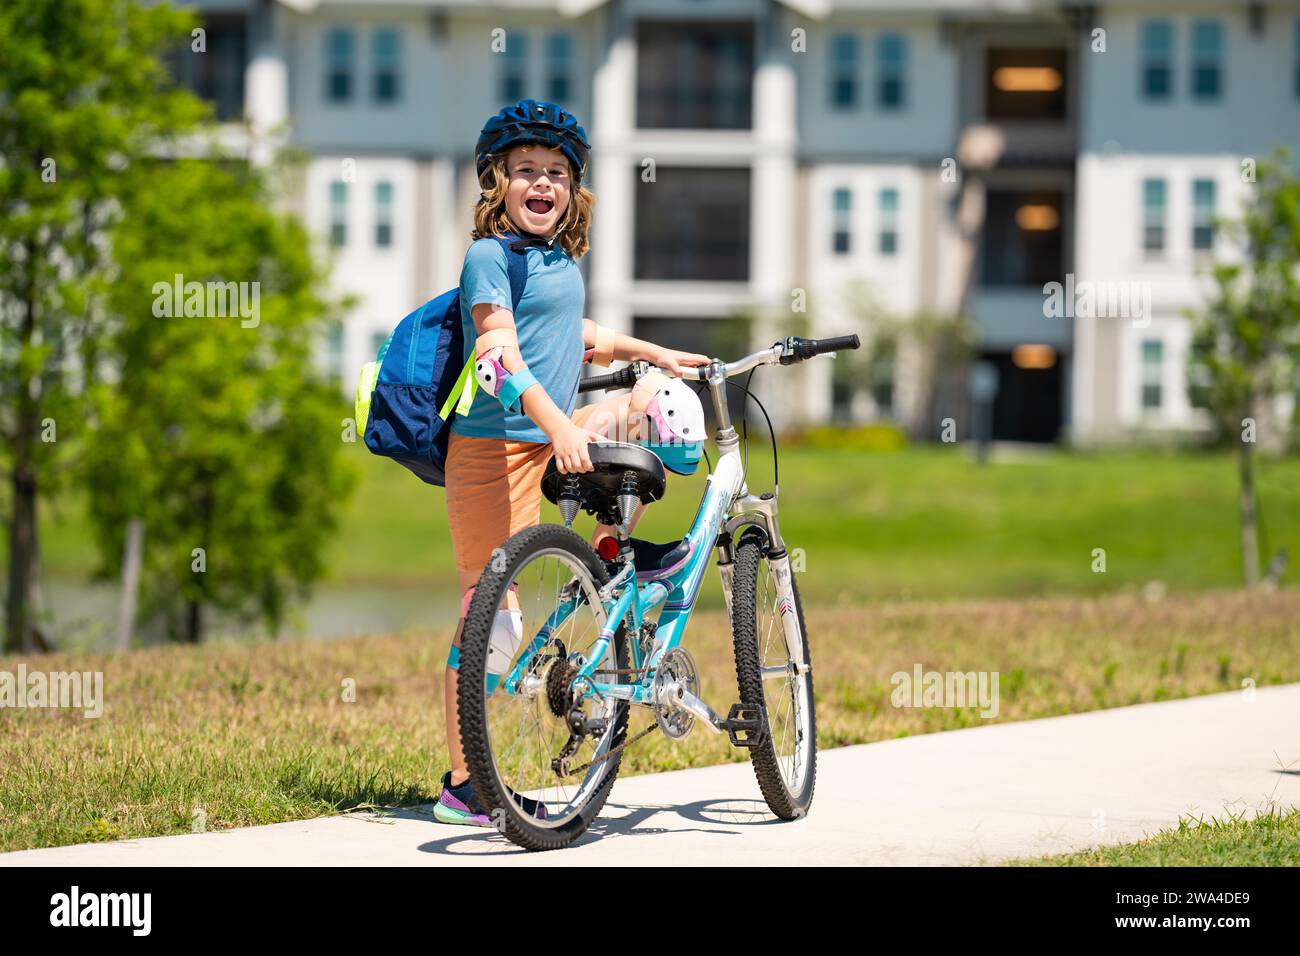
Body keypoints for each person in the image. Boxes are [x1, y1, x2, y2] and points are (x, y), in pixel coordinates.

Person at [434, 100, 709, 826]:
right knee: (494, 627)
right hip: (492, 453)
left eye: (556, 173)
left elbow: (571, 332)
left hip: (551, 443)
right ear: (497, 181)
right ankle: (463, 785)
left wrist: (652, 355)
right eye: (525, 170)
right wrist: (556, 423)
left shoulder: (557, 261)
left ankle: (618, 557)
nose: (542, 183)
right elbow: (496, 353)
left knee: (649, 405)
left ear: (573, 189)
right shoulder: (487, 256)